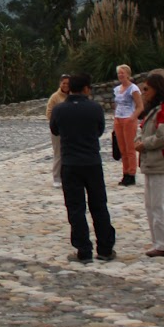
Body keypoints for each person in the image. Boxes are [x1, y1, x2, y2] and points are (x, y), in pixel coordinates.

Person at [50, 71, 116, 263]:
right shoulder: (95, 108)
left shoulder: (59, 110)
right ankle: (105, 248)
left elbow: (54, 129)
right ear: (86, 88)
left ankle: (83, 249)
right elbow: (99, 130)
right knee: (99, 205)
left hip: (70, 163)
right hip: (92, 162)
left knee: (75, 208)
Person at [135, 69, 164, 257]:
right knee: (151, 204)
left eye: (146, 89)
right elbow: (144, 128)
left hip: (161, 162)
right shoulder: (155, 109)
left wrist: (144, 144)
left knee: (159, 204)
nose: (144, 92)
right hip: (152, 162)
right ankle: (159, 241)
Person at [113, 64, 142, 186]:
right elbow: (116, 104)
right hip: (118, 118)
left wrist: (132, 118)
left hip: (128, 118)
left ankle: (131, 173)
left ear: (128, 74)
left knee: (130, 148)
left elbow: (140, 106)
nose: (120, 75)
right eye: (119, 73)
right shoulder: (117, 89)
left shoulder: (133, 89)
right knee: (122, 148)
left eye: (122, 73)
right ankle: (125, 172)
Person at [45, 73, 70, 186]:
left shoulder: (73, 95)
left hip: (71, 130)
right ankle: (57, 177)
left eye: (68, 83)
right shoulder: (55, 97)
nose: (65, 85)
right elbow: (49, 113)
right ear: (60, 83)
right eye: (64, 83)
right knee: (58, 153)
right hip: (58, 130)